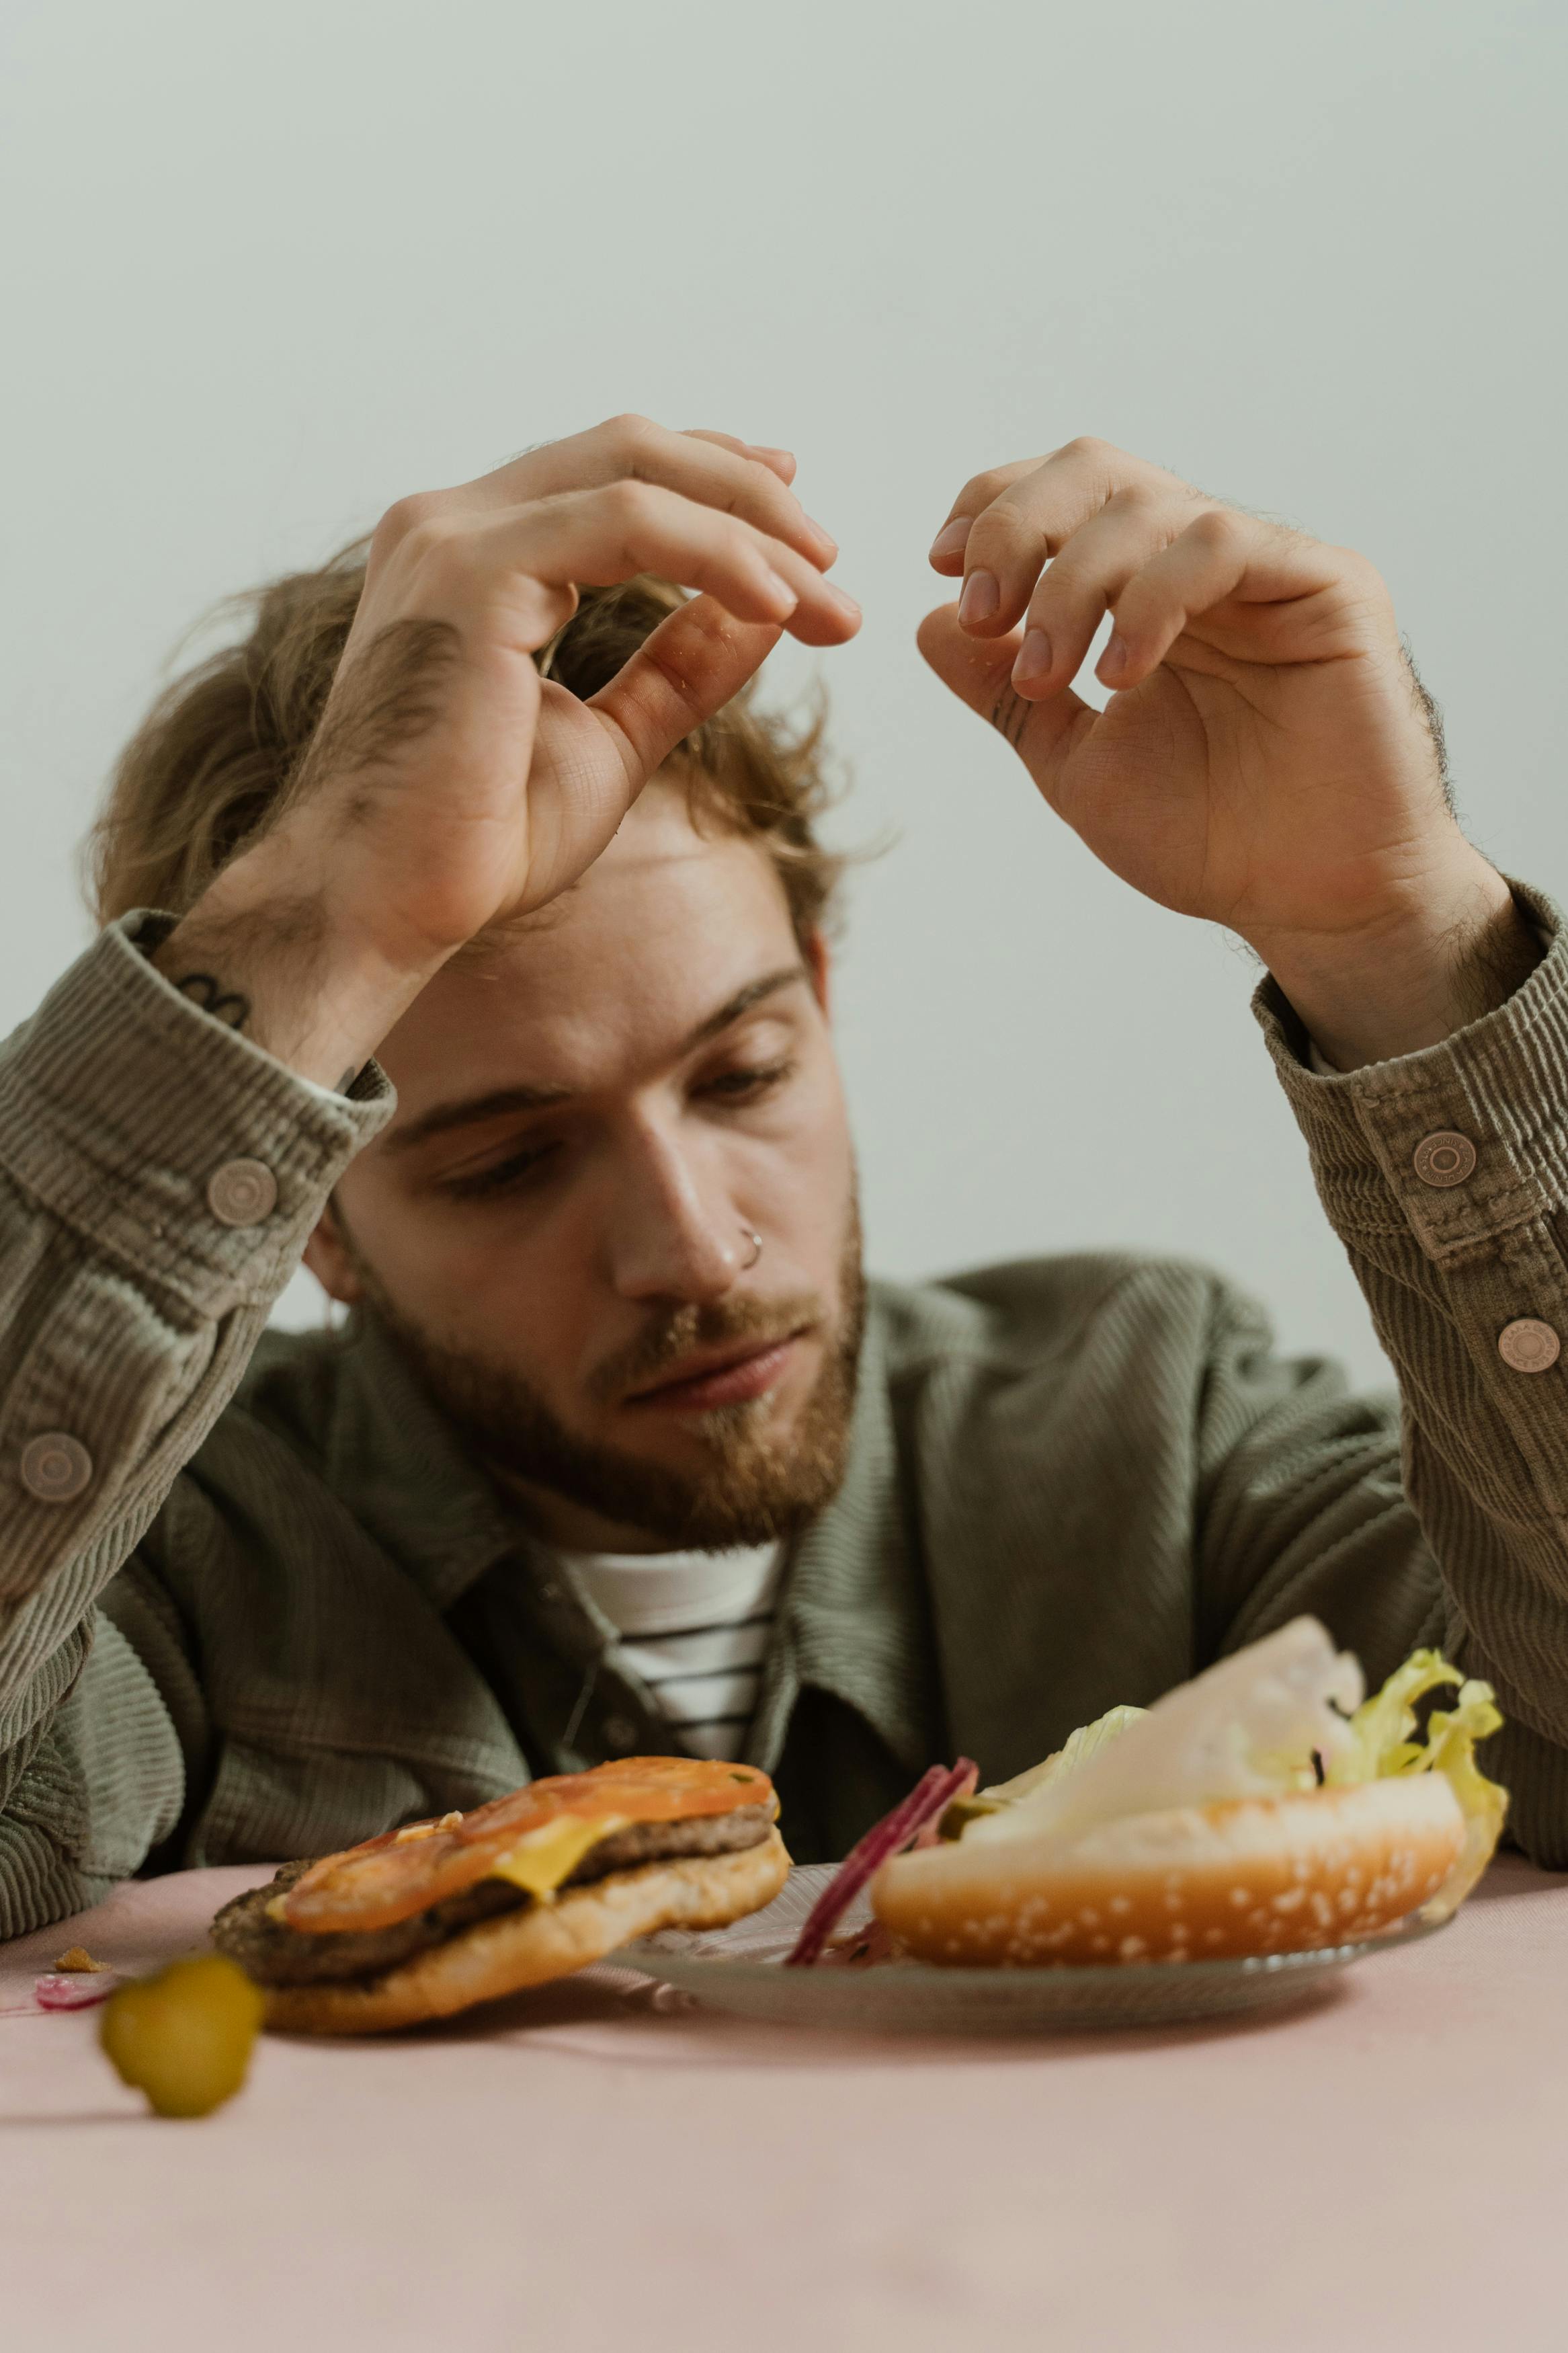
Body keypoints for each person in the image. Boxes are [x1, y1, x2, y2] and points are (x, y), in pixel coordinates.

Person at [3, 415, 1564, 1938]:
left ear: (821, 991)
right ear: (319, 1221)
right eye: (505, 1163)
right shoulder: (180, 1560)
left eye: (742, 1073)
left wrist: (1394, 940)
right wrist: (309, 938)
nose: (694, 1247)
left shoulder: (1155, 1425)